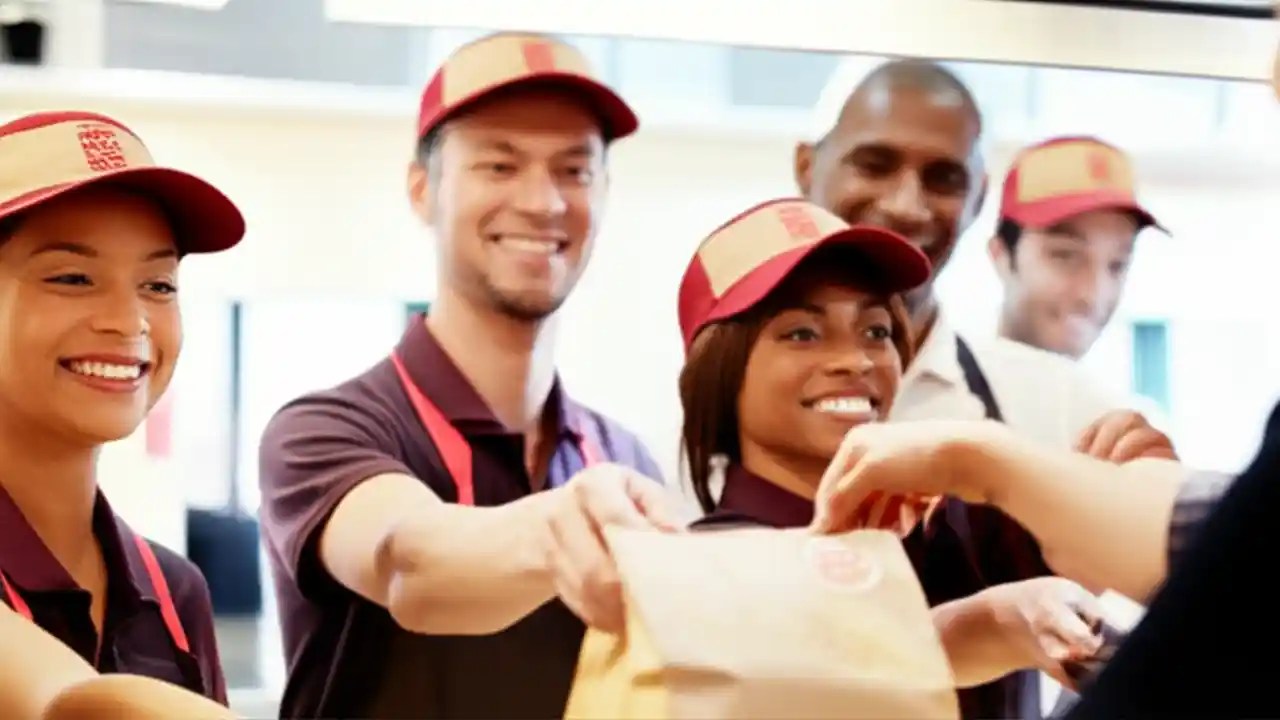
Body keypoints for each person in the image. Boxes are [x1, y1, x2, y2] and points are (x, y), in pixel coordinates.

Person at [257, 32, 676, 720]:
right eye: (499, 165)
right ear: (423, 189)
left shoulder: (623, 459)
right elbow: (407, 562)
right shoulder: (327, 431)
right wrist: (560, 529)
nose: (542, 202)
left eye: (574, 170)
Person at [791, 57, 1173, 719]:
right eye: (876, 163)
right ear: (806, 168)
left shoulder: (1063, 404)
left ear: (977, 197)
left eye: (942, 177)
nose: (906, 203)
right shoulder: (698, 407)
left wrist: (1158, 511)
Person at [672, 197, 1114, 690]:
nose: (855, 360)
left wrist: (1122, 471)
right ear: (718, 371)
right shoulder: (701, 571)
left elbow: (1103, 554)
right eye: (802, 333)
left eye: (876, 331)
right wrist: (993, 626)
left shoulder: (950, 526)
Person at [0, 110, 242, 708]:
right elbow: (69, 704)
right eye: (73, 277)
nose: (129, 320)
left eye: (157, 286)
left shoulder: (174, 593)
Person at [990, 136, 1162, 359]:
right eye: (1065, 256)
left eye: (1117, 265)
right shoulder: (945, 389)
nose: (1093, 295)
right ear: (1001, 256)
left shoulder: (1105, 395)